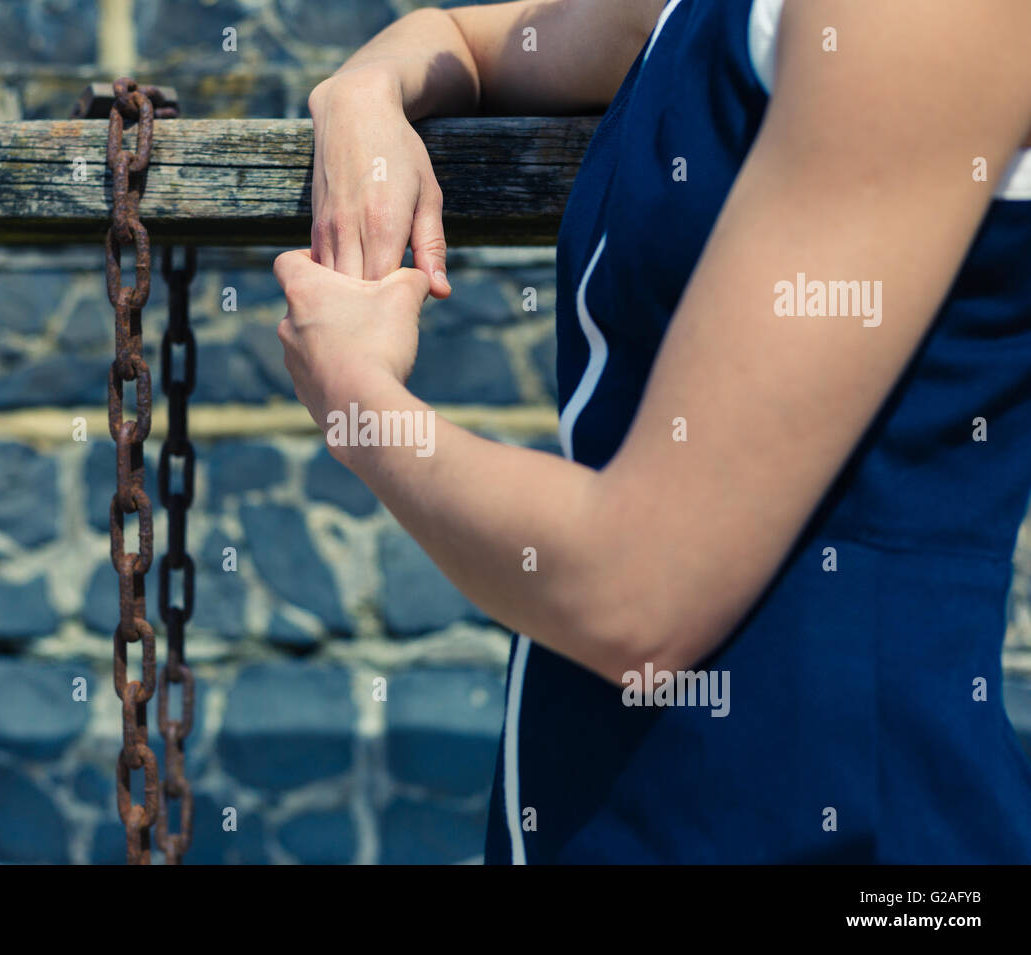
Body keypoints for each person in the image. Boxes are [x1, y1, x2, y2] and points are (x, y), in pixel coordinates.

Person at [272, 0, 1031, 863]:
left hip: (847, 826)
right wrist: (363, 92)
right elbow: (467, 42)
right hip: (613, 809)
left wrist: (355, 395)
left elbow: (635, 589)